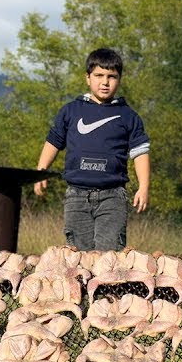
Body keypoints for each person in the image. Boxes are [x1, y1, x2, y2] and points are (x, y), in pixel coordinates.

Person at [34, 47, 151, 251]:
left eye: (111, 76)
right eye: (98, 75)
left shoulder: (128, 116)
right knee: (78, 255)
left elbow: (140, 152)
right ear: (87, 78)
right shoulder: (71, 110)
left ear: (119, 79)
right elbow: (53, 141)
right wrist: (40, 171)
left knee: (109, 256)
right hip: (76, 196)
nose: (105, 82)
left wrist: (144, 187)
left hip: (112, 197)